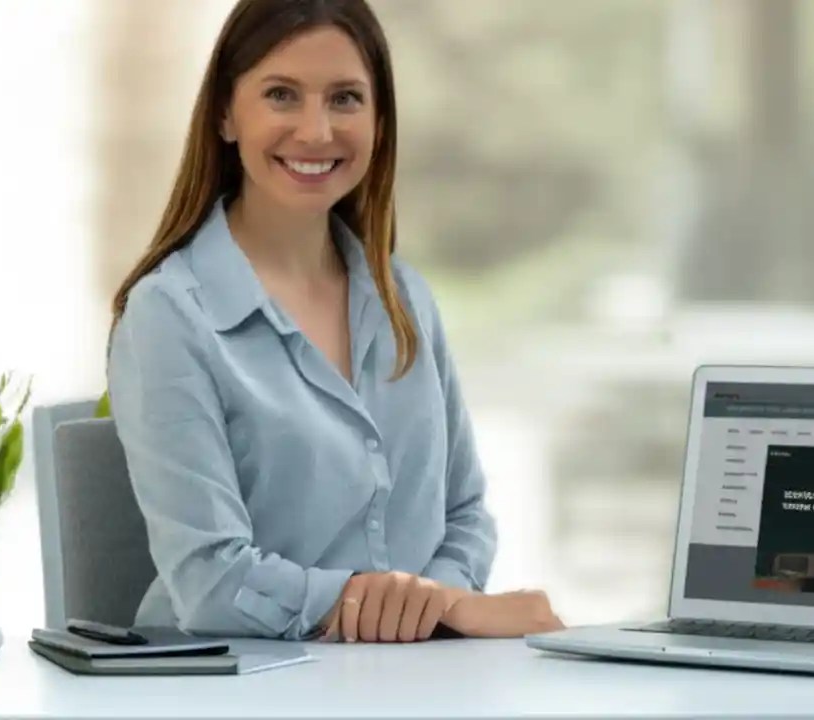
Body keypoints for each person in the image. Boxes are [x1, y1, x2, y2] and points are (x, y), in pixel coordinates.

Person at [105, 0, 562, 643]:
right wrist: (438, 610)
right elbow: (212, 584)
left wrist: (422, 611)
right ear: (226, 115)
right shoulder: (168, 316)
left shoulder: (404, 297)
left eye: (345, 99)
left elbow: (464, 517)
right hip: (232, 692)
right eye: (282, 95)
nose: (317, 132)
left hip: (404, 682)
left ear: (380, 121)